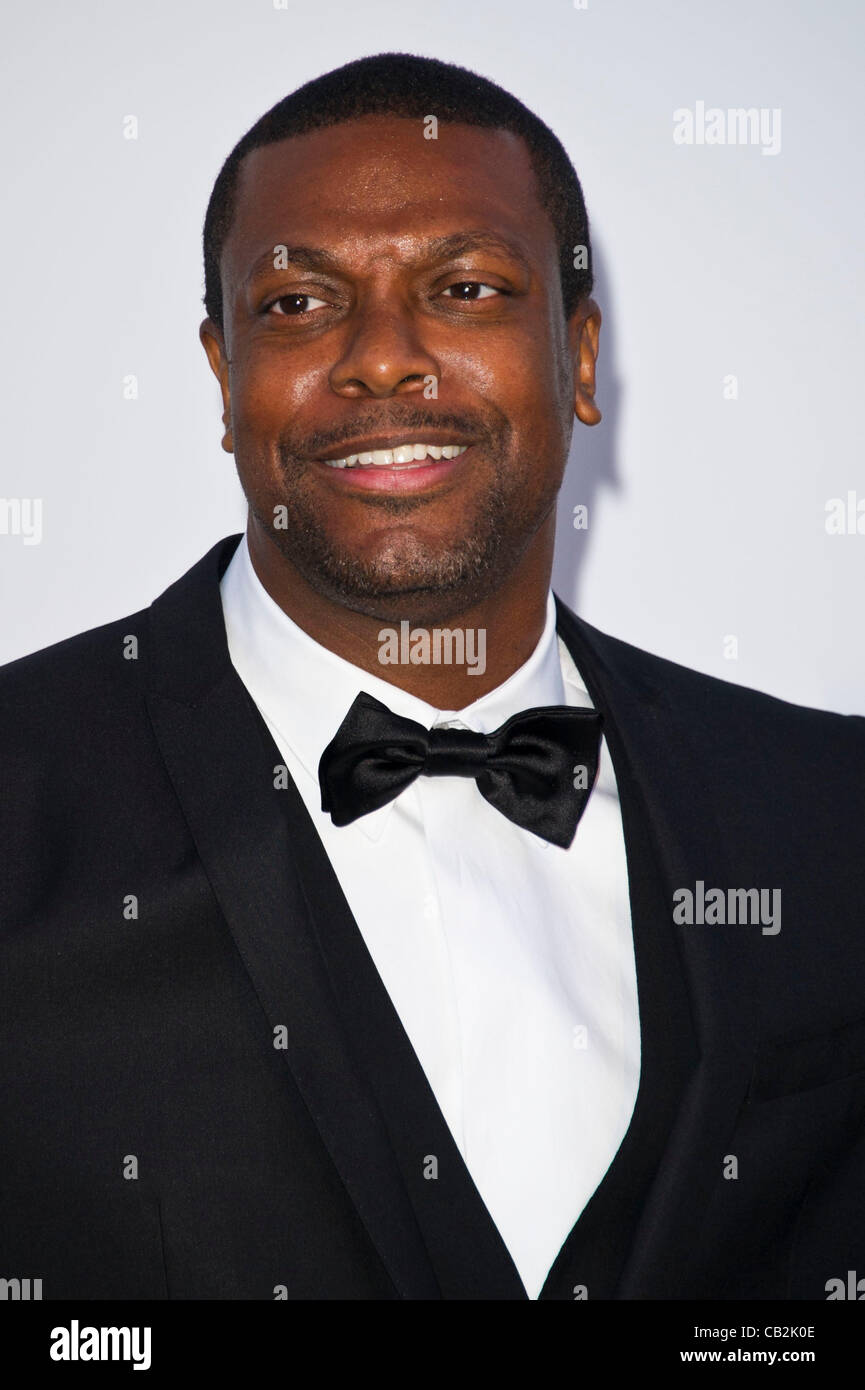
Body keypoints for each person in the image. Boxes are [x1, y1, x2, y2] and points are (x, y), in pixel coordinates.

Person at [1, 52, 863, 1302]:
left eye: (464, 289)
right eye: (299, 303)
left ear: (577, 357)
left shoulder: (831, 810)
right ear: (224, 380)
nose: (382, 359)